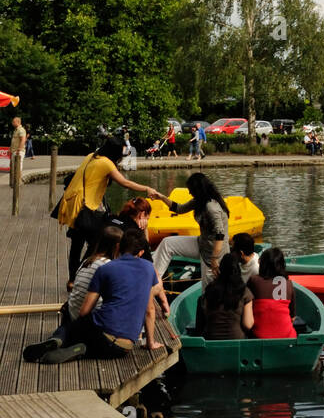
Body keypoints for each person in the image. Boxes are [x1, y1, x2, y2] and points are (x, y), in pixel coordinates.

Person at [32, 228, 165, 364]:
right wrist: (151, 343)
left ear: (119, 247)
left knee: (70, 326)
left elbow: (84, 311)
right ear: (141, 252)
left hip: (101, 331)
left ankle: (60, 338)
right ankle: (83, 350)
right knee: (100, 343)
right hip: (124, 346)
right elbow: (150, 310)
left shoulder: (105, 269)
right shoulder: (149, 268)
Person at [55, 135, 162, 285]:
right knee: (97, 244)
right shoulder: (106, 163)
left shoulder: (91, 156)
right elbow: (125, 183)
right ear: (114, 152)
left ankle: (73, 279)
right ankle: (84, 276)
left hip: (73, 203)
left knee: (76, 244)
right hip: (86, 207)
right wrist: (147, 188)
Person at [23, 226, 123, 361]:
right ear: (116, 247)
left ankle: (57, 338)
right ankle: (78, 348)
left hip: (72, 312)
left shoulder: (87, 261)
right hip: (88, 318)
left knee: (67, 327)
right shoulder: (109, 266)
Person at [152, 172, 229, 290]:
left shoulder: (211, 207)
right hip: (202, 244)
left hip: (214, 254)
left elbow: (220, 234)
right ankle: (152, 280)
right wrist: (161, 197)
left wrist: (214, 260)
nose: (189, 192)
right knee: (167, 244)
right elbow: (179, 209)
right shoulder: (199, 201)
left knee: (208, 292)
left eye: (190, 189)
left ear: (198, 190)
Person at [116, 197, 170, 315]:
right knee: (157, 282)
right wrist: (163, 298)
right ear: (141, 215)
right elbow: (149, 265)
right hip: (121, 281)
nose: (148, 219)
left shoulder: (115, 219)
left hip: (104, 267)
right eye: (147, 216)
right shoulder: (135, 234)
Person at [200, 253, 253, 340]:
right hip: (236, 339)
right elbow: (248, 324)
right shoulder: (244, 292)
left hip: (211, 338)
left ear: (220, 270)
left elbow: (205, 315)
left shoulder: (210, 290)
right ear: (238, 270)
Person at [247, 247, 296, 339]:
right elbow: (292, 318)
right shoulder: (289, 283)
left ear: (262, 264)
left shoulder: (254, 280)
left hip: (259, 336)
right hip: (287, 337)